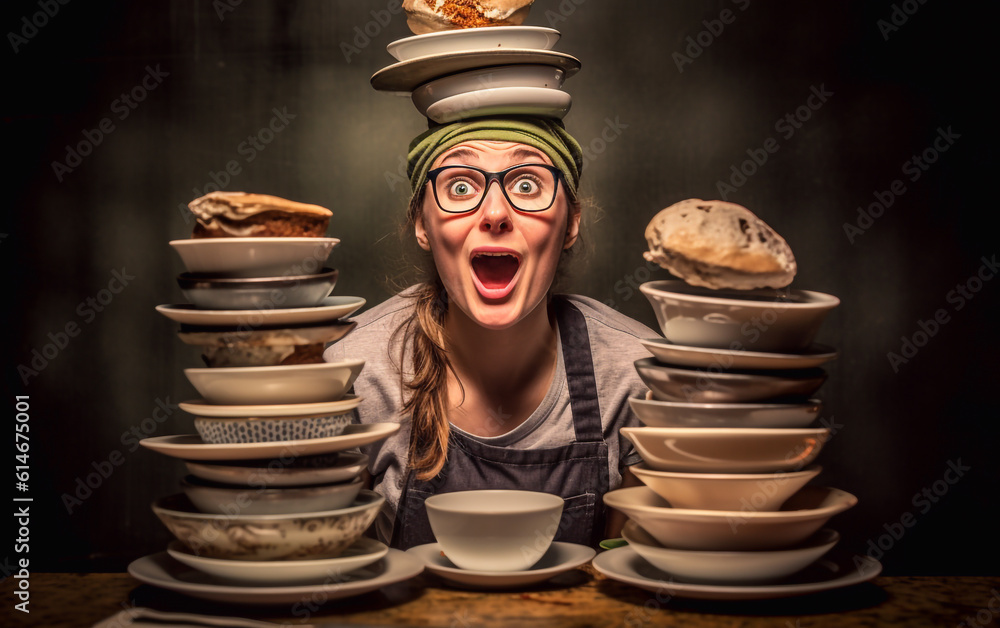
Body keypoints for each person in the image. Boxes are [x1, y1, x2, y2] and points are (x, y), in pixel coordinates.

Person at [324, 116, 657, 549]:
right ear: (423, 224)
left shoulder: (640, 373)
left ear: (570, 223)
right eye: (460, 187)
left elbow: (636, 576)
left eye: (526, 185)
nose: (496, 213)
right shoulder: (353, 372)